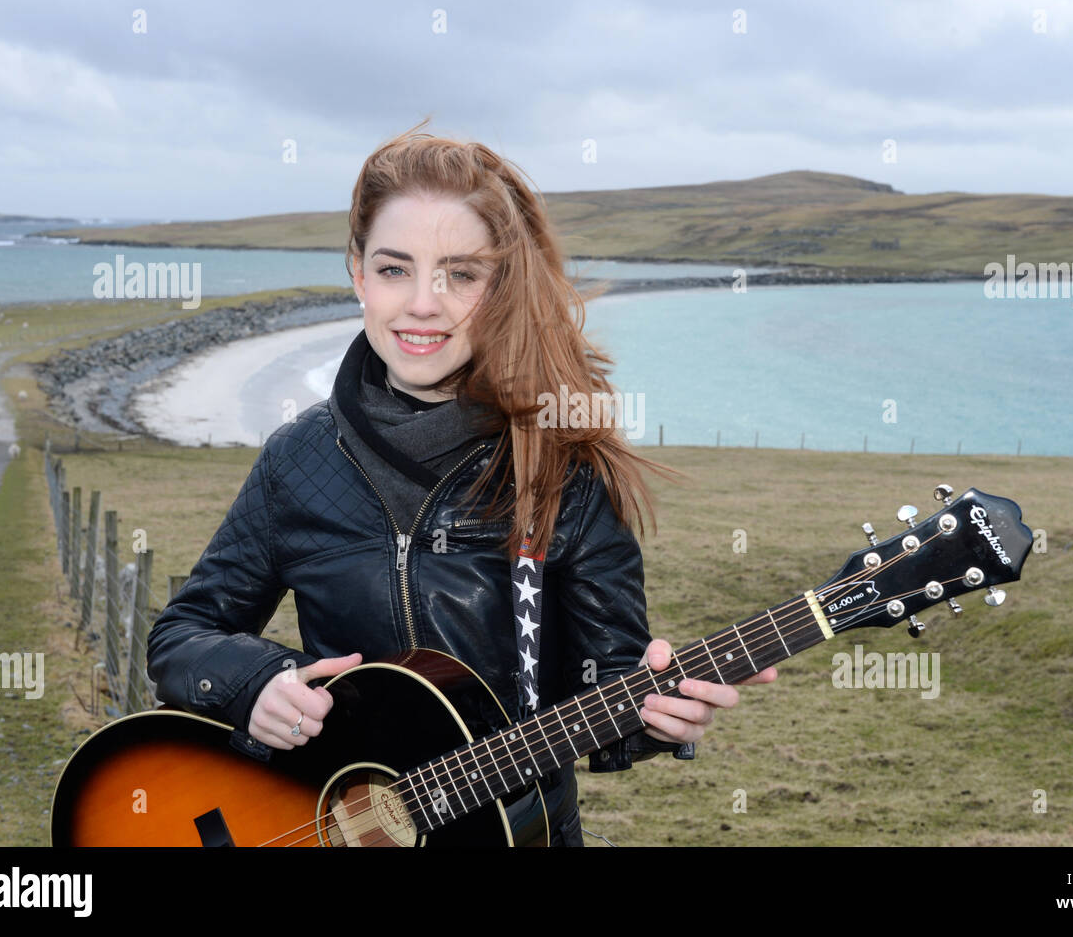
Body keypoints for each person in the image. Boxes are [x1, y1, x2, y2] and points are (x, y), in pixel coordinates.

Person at [147, 121, 777, 846]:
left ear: (500, 285)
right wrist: (255, 682)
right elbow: (181, 637)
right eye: (394, 269)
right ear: (357, 273)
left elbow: (609, 687)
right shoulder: (297, 461)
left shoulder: (563, 467)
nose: (423, 303)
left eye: (460, 273)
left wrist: (657, 717)